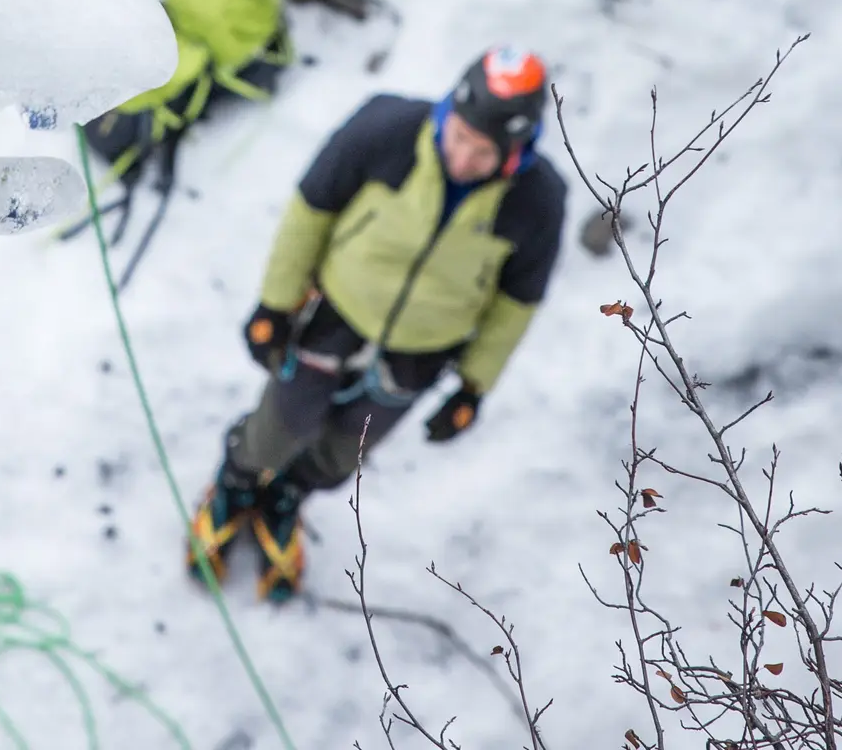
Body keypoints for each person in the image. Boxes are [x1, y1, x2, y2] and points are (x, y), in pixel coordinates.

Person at [191, 47, 567, 600]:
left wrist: (472, 386)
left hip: (423, 347)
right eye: (458, 136)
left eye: (482, 152)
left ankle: (287, 498)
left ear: (515, 152)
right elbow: (310, 212)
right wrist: (275, 305)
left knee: (347, 450)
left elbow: (517, 303)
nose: (461, 158)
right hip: (337, 309)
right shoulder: (386, 130)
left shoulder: (537, 202)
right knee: (286, 417)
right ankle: (236, 483)